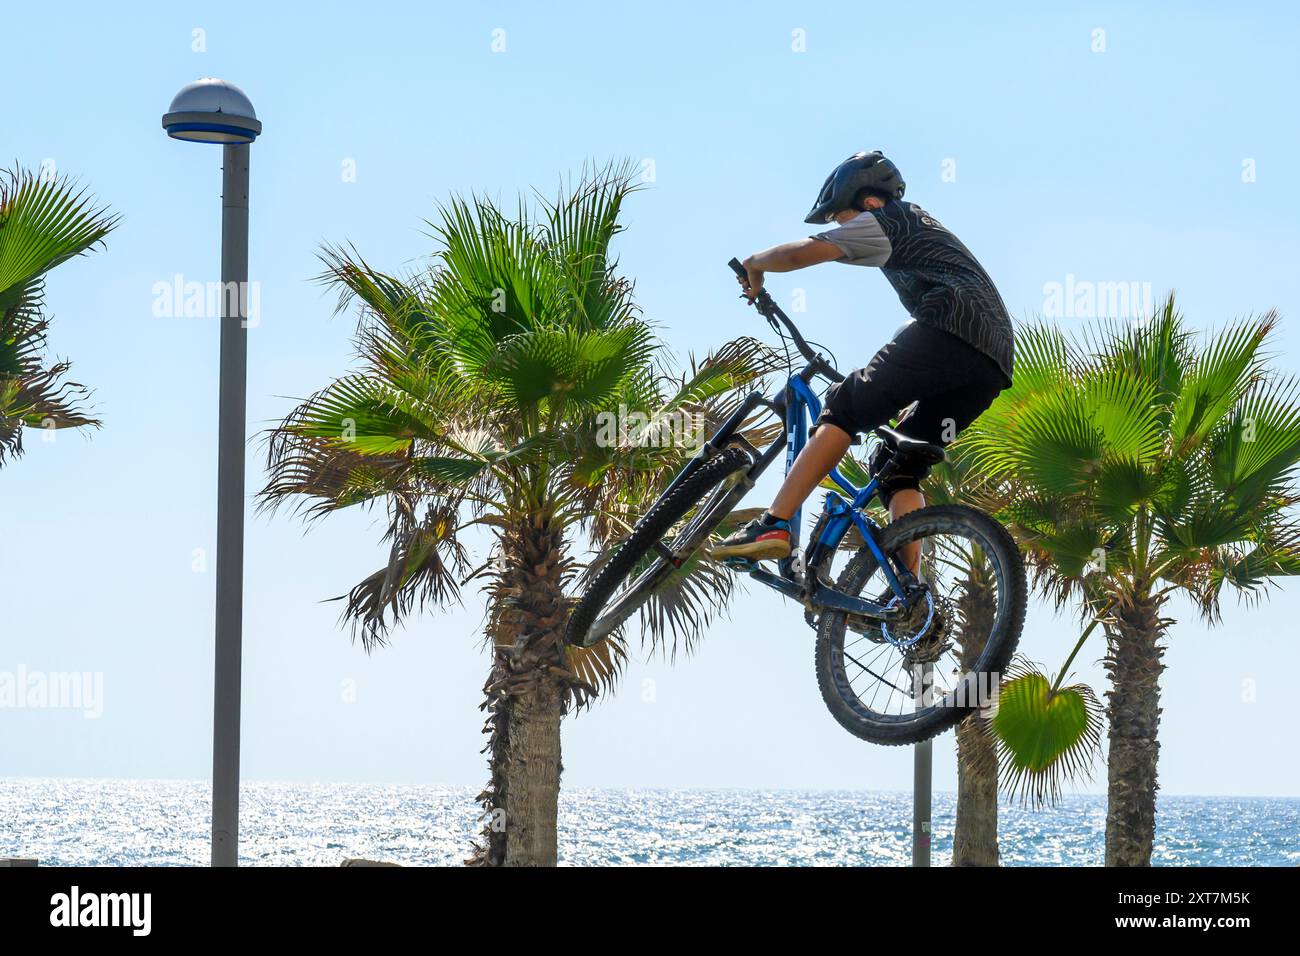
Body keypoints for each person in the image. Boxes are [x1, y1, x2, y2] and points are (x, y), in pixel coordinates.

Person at [711, 150, 1014, 572]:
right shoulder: (922, 230)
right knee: (897, 472)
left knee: (845, 407)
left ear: (870, 202)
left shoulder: (889, 219)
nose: (842, 227)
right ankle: (910, 600)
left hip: (951, 329)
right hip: (991, 365)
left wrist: (753, 264)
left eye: (842, 217)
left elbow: (801, 254)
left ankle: (773, 525)